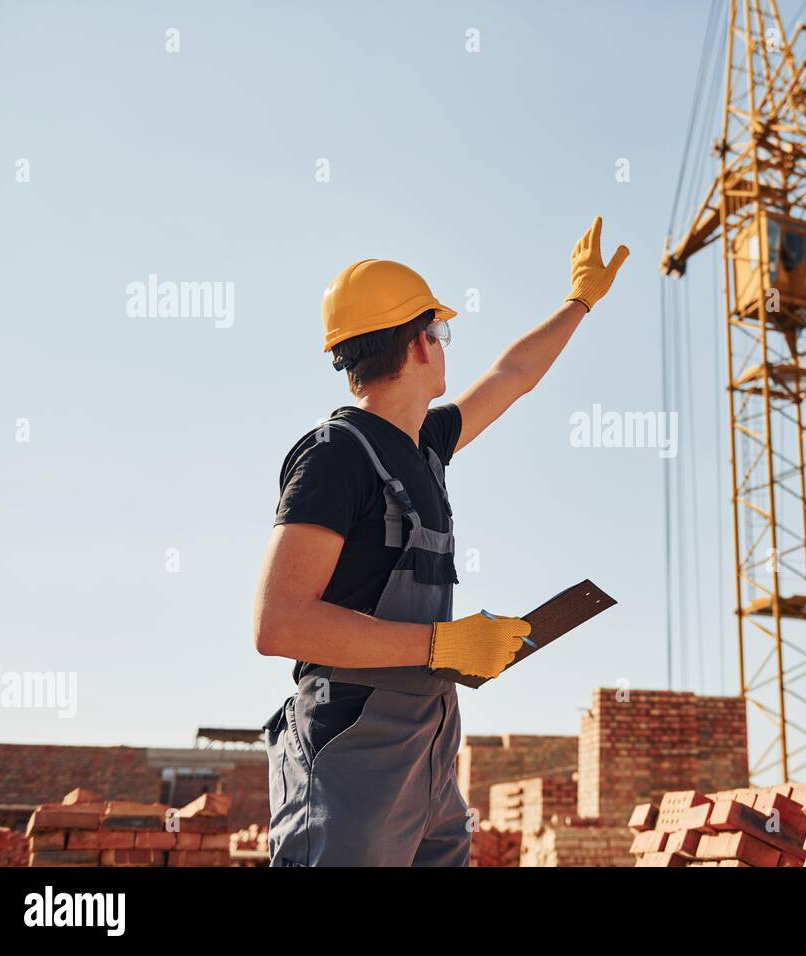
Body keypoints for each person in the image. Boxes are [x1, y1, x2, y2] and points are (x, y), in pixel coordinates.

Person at [253, 217, 628, 866]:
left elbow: (513, 375)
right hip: (351, 752)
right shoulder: (334, 456)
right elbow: (278, 622)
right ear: (421, 343)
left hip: (430, 749)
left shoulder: (426, 447)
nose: (445, 345)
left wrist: (579, 303)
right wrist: (439, 644)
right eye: (441, 330)